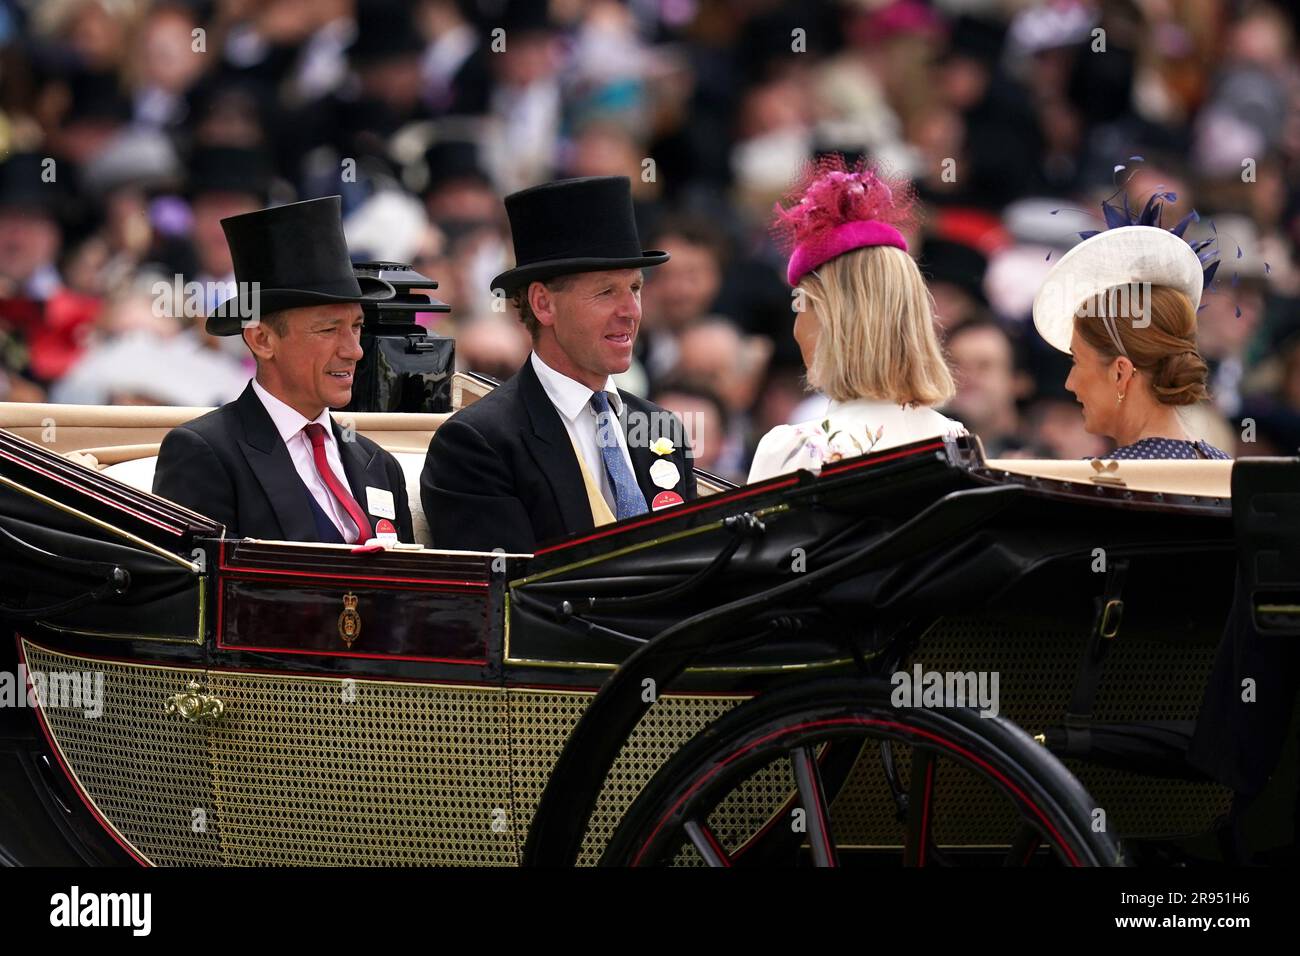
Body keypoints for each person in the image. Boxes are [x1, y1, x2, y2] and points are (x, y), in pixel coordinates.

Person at [421, 175, 697, 553]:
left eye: (635, 288)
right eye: (605, 292)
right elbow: (512, 599)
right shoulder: (478, 444)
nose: (631, 312)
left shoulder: (659, 427)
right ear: (543, 304)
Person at [153, 196, 415, 543]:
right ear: (262, 339)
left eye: (356, 327)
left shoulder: (379, 465)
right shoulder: (205, 454)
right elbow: (194, 591)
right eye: (327, 330)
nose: (354, 351)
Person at [748, 157, 965, 483]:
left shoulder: (797, 449)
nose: (795, 327)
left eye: (799, 304)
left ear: (830, 316)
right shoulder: (956, 440)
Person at [1031, 190, 1232, 460]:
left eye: (1076, 361)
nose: (1070, 383)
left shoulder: (1094, 484)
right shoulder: (1224, 470)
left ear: (1120, 373)